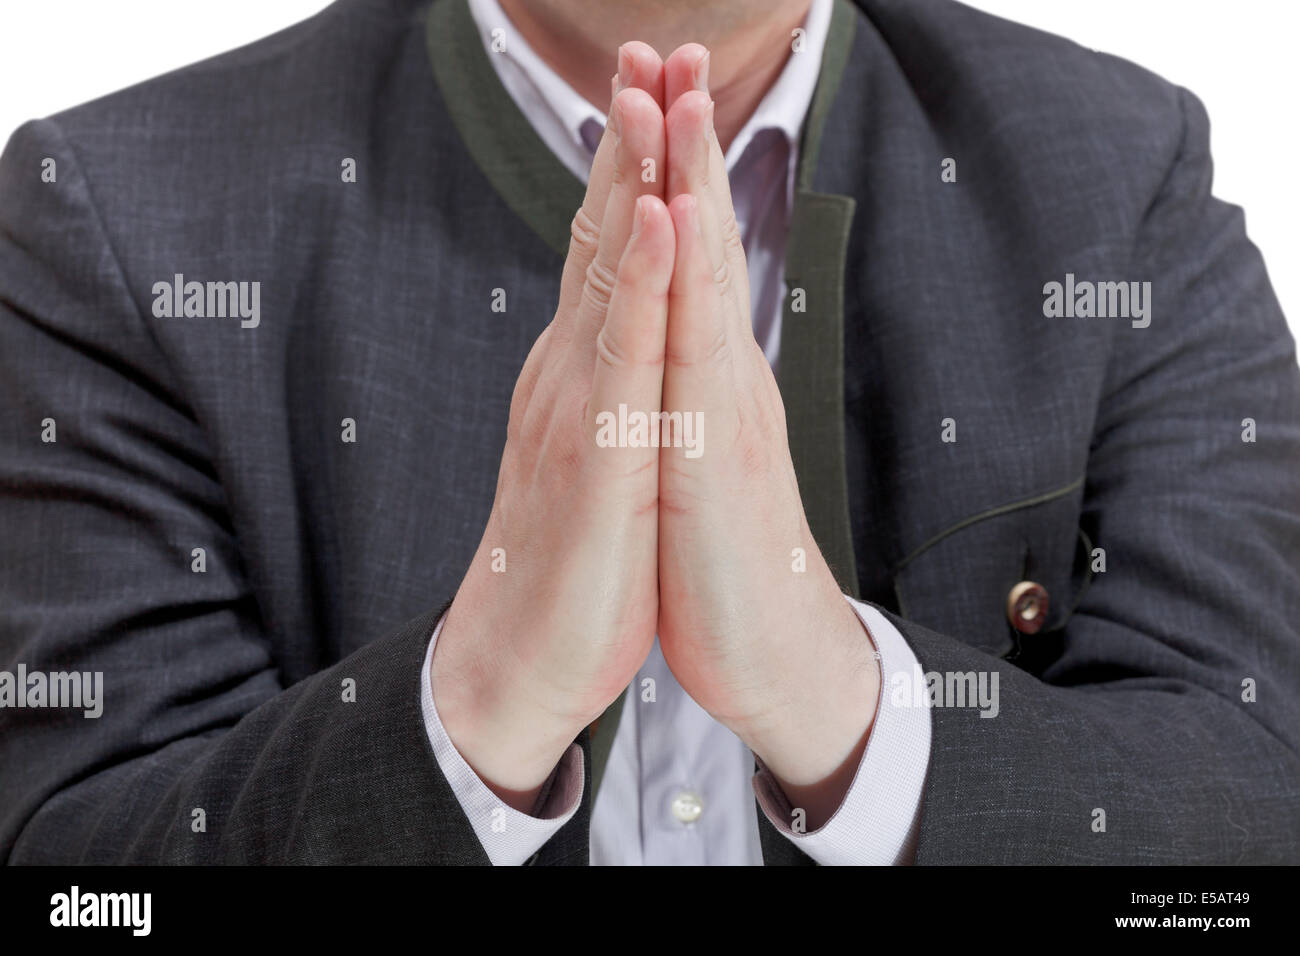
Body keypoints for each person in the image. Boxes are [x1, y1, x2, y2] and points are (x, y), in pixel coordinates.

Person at [0, 0, 1296, 866]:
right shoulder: (117, 215)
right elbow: (71, 868)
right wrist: (480, 704)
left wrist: (836, 698)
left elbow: (1255, 804)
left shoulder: (1121, 178)